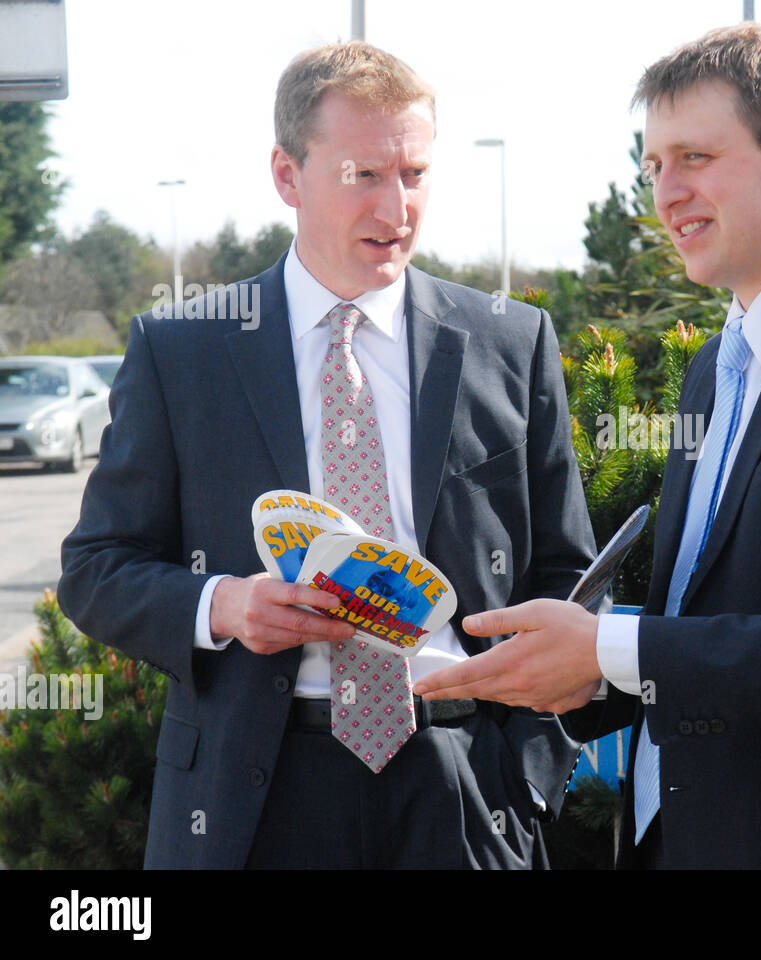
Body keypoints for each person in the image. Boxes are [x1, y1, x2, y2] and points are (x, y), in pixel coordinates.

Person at [414, 23, 761, 868]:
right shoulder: (716, 368)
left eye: (695, 158)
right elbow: (710, 631)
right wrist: (578, 671)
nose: (664, 194)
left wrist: (609, 648)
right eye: (653, 167)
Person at [58, 41, 595, 869]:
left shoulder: (509, 341)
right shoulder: (185, 350)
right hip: (257, 800)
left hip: (464, 785)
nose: (399, 207)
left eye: (414, 174)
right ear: (287, 176)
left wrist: (528, 770)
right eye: (364, 176)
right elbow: (97, 569)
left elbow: (564, 571)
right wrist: (225, 605)